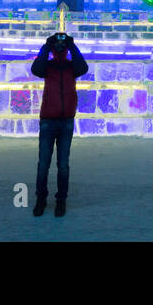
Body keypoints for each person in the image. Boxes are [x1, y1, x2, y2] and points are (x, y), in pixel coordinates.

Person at [30, 32, 88, 217]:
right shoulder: (47, 67)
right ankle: (41, 199)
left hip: (65, 121)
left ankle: (61, 200)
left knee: (63, 164)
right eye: (59, 45)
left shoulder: (72, 67)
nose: (61, 47)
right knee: (44, 164)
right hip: (48, 119)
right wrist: (46, 47)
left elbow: (83, 67)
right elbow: (36, 69)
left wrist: (72, 46)